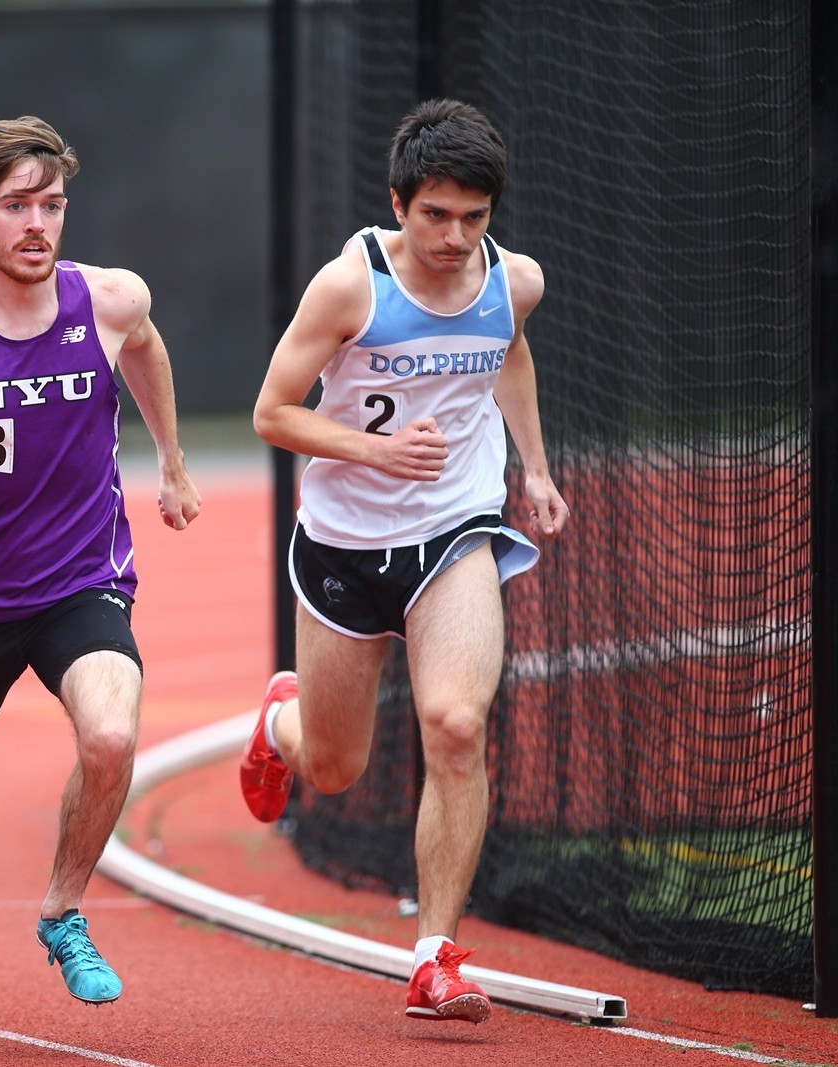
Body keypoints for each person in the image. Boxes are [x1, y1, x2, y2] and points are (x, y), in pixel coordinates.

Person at [241, 98, 569, 1024]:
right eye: (436, 215)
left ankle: (433, 955)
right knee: (337, 769)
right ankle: (282, 723)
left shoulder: (516, 281)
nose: (454, 236)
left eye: (474, 217)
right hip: (346, 544)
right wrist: (375, 451)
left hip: (458, 528)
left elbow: (507, 350)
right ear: (398, 203)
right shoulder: (350, 290)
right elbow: (274, 413)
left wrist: (534, 469)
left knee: (455, 724)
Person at [0, 115, 201, 1039]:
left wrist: (172, 461)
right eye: (16, 205)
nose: (37, 223)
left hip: (80, 582)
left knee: (111, 738)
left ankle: (63, 912)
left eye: (51, 204)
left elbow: (144, 344)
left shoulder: (107, 300)